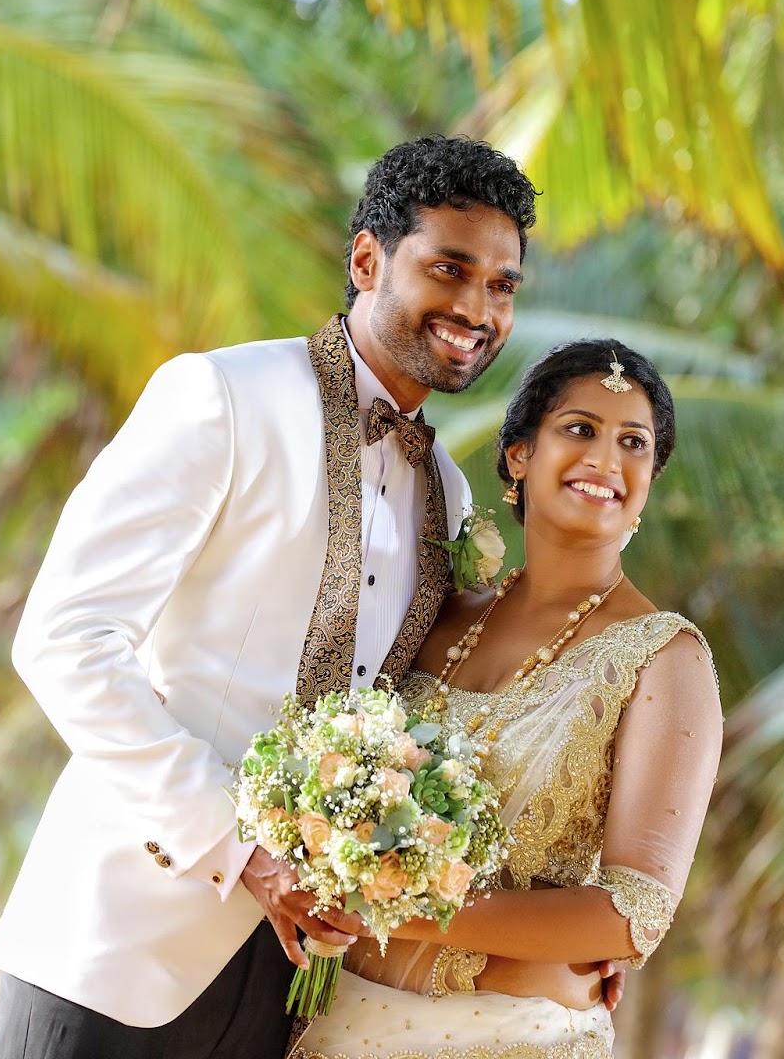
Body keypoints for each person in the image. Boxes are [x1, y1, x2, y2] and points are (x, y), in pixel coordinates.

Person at [0, 136, 574, 1059]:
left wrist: (562, 939)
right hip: (117, 949)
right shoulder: (222, 396)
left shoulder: (449, 495)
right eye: (449, 268)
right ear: (366, 260)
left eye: (501, 285)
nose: (475, 308)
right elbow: (64, 637)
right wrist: (242, 849)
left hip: (296, 989)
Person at [295, 339, 723, 1059]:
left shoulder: (663, 660)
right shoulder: (439, 612)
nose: (605, 461)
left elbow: (632, 912)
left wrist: (399, 910)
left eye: (634, 444)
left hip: (507, 1040)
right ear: (520, 454)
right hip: (337, 1024)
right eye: (579, 429)